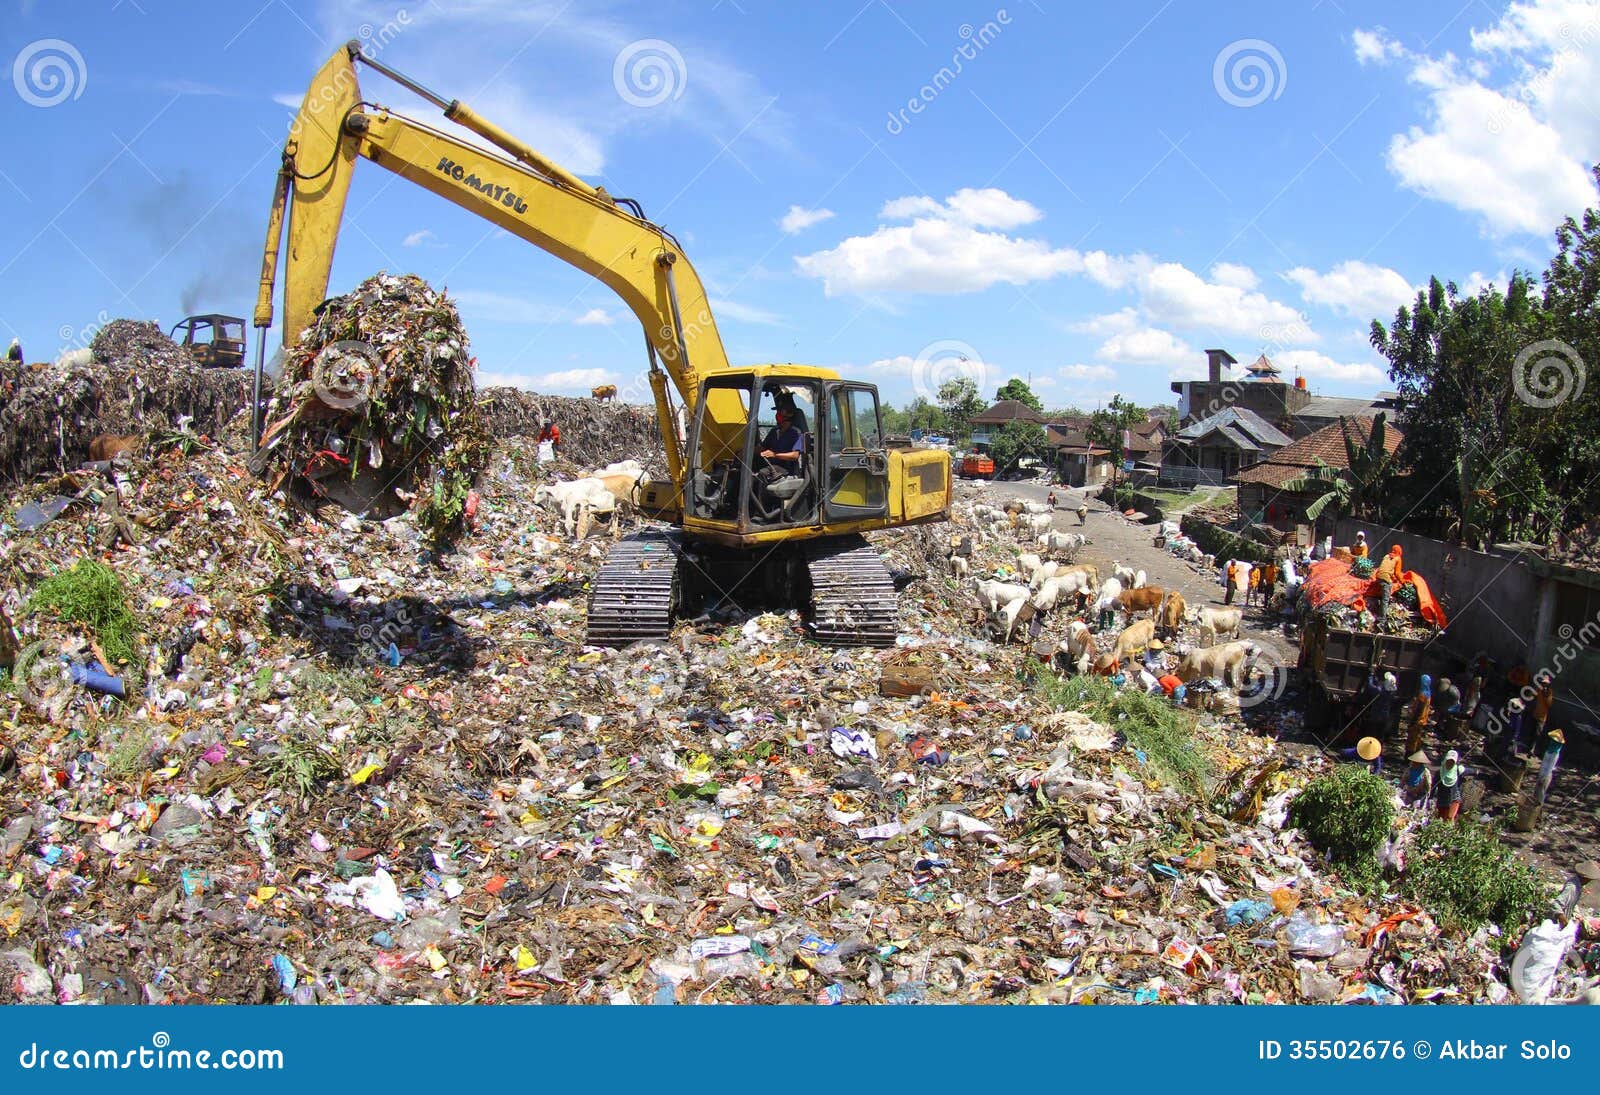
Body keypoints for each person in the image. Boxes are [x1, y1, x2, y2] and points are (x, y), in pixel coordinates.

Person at [758, 403, 805, 470]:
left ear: (789, 415)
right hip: (770, 465)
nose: (777, 414)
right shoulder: (774, 431)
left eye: (780, 412)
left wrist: (774, 455)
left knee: (762, 474)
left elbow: (795, 455)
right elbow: (762, 447)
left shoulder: (796, 433)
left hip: (786, 469)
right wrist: (745, 452)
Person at [1404, 674, 1433, 757]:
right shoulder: (1428, 694)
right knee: (1417, 740)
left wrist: (1412, 722)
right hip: (1422, 721)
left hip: (1417, 721)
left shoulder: (1422, 695)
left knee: (1411, 740)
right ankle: (1415, 757)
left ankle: (1408, 758)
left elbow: (1418, 711)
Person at [1372, 544, 1403, 621]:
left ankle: (1377, 611)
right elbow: (1397, 573)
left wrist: (1393, 577)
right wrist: (1402, 582)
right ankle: (1381, 619)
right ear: (1399, 552)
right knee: (1385, 599)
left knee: (1381, 595)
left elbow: (1386, 568)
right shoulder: (1398, 558)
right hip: (1385, 578)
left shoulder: (1386, 556)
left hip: (1378, 576)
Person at [1536, 728, 1564, 805]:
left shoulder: (1554, 754)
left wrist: (1543, 778)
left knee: (1540, 795)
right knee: (1536, 793)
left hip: (1545, 775)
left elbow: (1549, 767)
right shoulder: (1549, 750)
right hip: (1542, 772)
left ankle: (1538, 810)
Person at [1436, 749, 1465, 820]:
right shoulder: (1439, 772)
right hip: (1442, 800)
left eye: (1452, 762)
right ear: (1445, 760)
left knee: (1450, 819)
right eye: (1448, 761)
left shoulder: (1457, 770)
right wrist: (1429, 798)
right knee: (1441, 819)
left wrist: (1476, 772)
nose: (1450, 763)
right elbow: (1433, 787)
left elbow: (1468, 770)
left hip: (1454, 799)